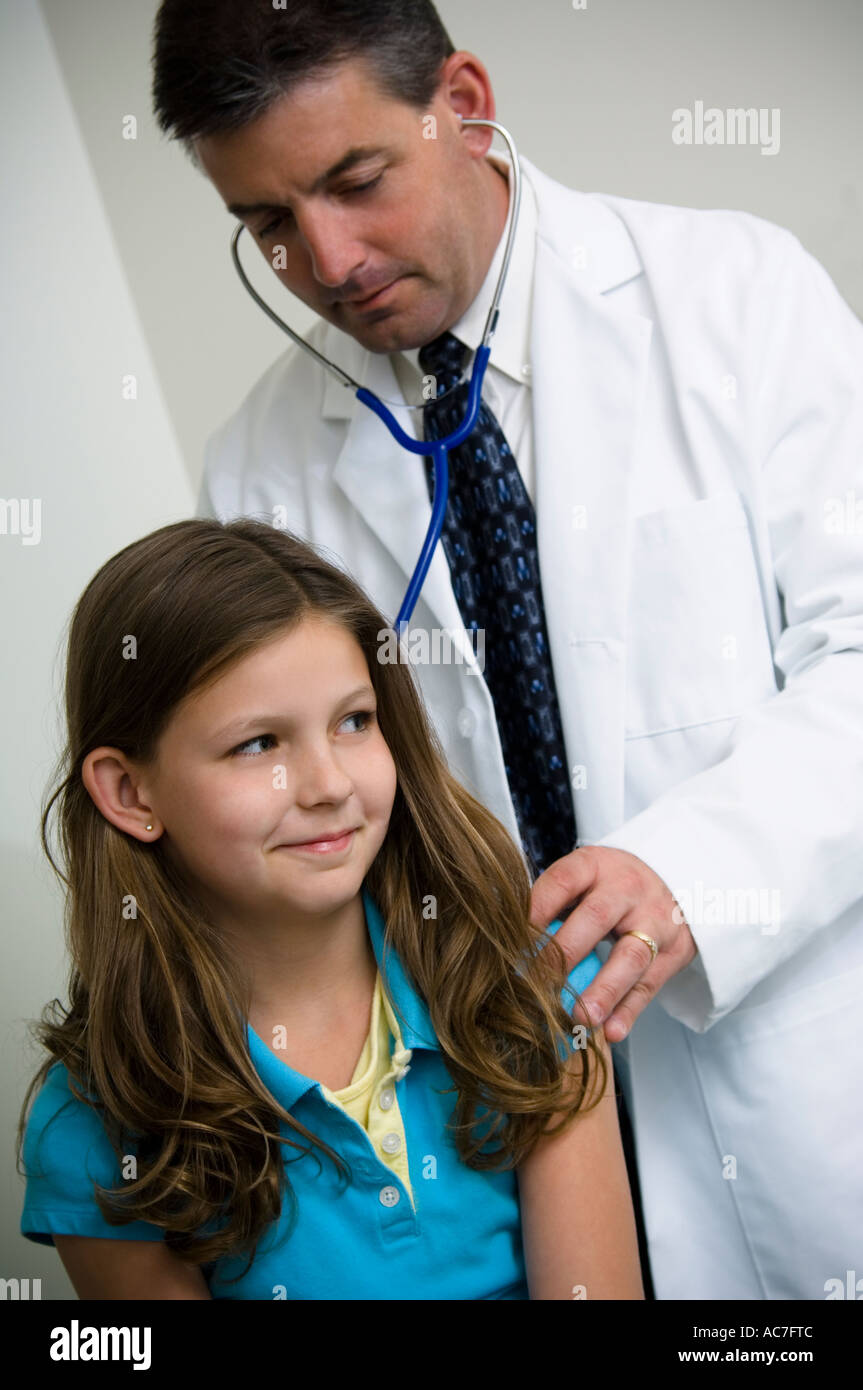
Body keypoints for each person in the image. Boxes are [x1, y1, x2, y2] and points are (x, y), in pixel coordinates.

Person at [152, 2, 863, 1299]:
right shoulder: (258, 465)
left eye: (355, 181)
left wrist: (683, 869)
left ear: (462, 98)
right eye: (265, 225)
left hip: (788, 1075)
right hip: (497, 1126)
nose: (326, 261)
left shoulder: (731, 299)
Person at [17, 518, 644, 1300]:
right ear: (130, 793)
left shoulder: (524, 987)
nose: (327, 785)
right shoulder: (92, 1125)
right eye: (258, 745)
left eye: (354, 722)